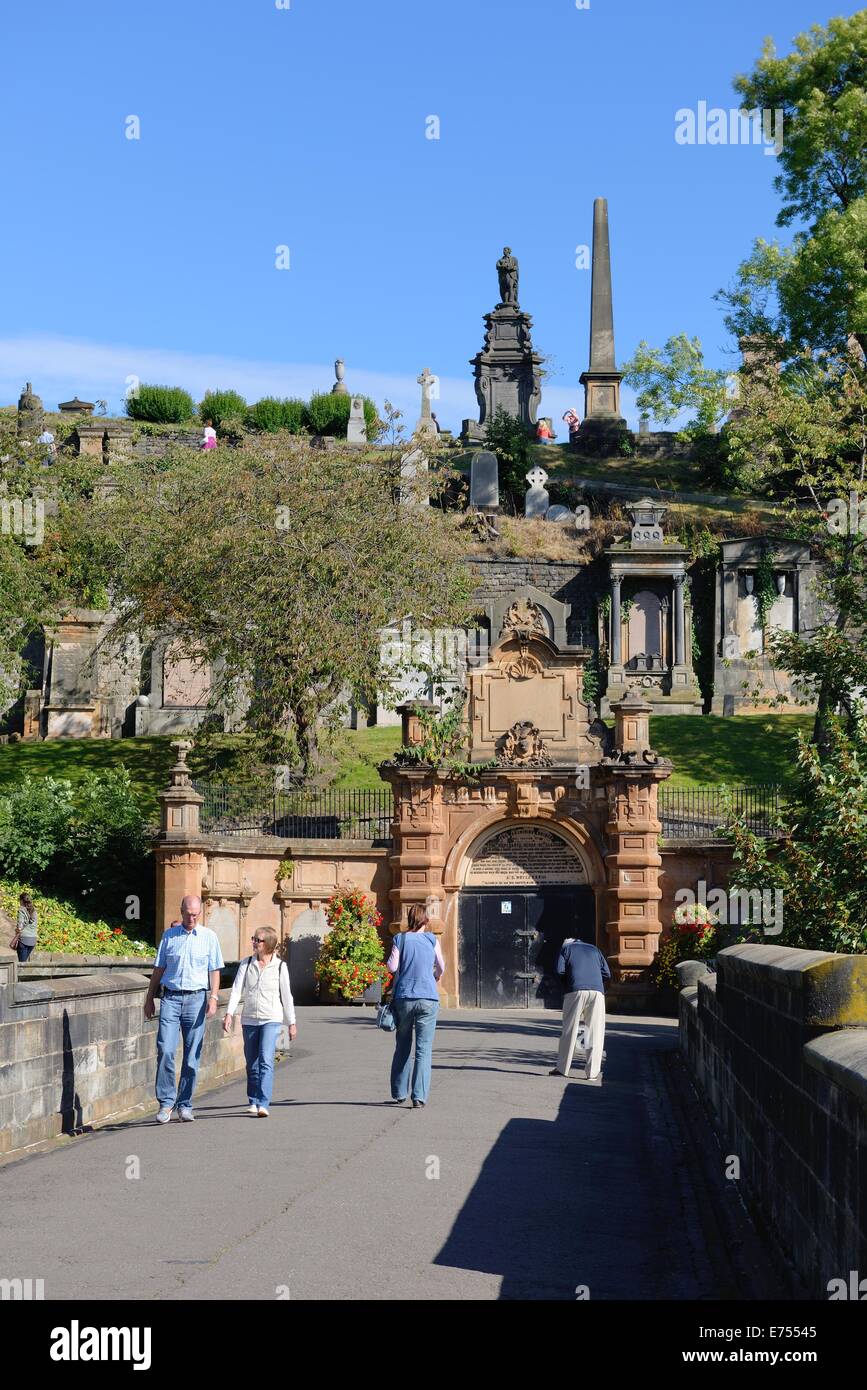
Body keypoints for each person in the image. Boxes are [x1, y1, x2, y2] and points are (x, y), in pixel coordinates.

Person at [144, 895, 224, 1123]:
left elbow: (215, 970)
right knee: (166, 1050)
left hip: (196, 999)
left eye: (196, 914)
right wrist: (149, 998)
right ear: (181, 911)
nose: (192, 917)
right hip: (170, 998)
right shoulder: (169, 936)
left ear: (201, 912)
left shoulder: (209, 937)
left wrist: (214, 997)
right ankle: (166, 1103)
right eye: (188, 913)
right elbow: (159, 970)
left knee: (191, 1056)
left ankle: (185, 1103)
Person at [223, 926, 297, 1117]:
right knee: (251, 1062)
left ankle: (263, 1102)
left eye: (258, 940)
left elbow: (286, 996)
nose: (254, 942)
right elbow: (237, 990)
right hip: (249, 1019)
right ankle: (253, 1100)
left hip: (272, 1018)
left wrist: (292, 1022)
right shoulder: (246, 964)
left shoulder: (280, 967)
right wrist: (229, 1013)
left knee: (266, 1060)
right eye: (254, 939)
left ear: (269, 944)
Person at [386, 904, 444, 1108]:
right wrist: (434, 975)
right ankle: (419, 1096)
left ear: (409, 919)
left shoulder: (400, 939)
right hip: (428, 998)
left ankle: (400, 1092)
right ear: (425, 920)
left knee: (402, 1046)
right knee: (423, 1049)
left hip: (404, 997)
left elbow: (392, 967)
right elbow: (441, 966)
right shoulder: (431, 939)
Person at [549, 936, 611, 1084]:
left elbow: (559, 971)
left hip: (575, 991)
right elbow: (607, 974)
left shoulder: (566, 949)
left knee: (570, 1029)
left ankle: (563, 1069)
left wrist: (569, 984)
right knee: (594, 1031)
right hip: (597, 992)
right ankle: (592, 1073)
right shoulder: (595, 949)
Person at [11, 892, 38, 962]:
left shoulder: (22, 910)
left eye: (19, 900)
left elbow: (20, 925)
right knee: (24, 962)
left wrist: (17, 930)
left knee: (21, 964)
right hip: (33, 940)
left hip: (24, 940)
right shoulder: (34, 910)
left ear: (22, 900)